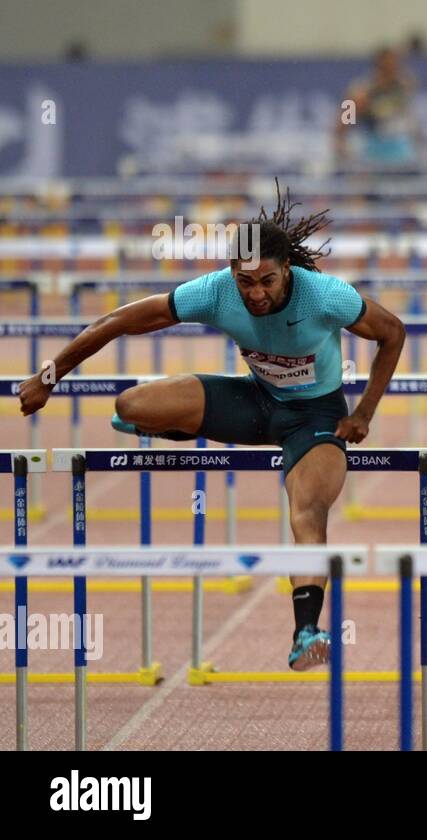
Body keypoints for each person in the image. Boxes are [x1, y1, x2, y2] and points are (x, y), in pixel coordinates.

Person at [17, 187, 406, 670]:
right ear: (232, 275)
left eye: (267, 280)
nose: (256, 293)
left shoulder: (325, 295)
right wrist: (47, 377)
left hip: (316, 417)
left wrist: (364, 412)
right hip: (254, 403)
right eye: (246, 283)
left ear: (288, 270)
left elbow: (392, 333)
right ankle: (166, 425)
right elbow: (118, 320)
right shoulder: (217, 290)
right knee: (131, 405)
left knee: (307, 512)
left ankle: (306, 630)